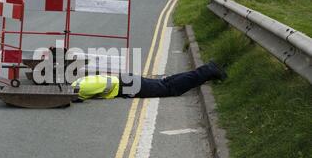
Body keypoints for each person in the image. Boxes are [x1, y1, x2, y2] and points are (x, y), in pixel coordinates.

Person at [71, 60, 227, 101]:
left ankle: (207, 71)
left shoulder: (80, 89)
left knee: (170, 89)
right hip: (126, 80)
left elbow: (76, 97)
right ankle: (207, 70)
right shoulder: (79, 82)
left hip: (126, 87)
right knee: (166, 83)